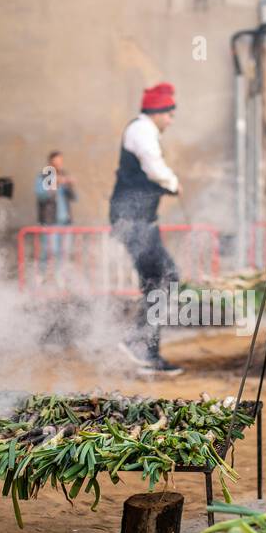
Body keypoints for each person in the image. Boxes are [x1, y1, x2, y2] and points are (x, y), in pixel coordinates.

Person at [110, 83, 183, 375]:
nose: (171, 120)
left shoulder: (144, 130)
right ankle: (138, 342)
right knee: (166, 277)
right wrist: (174, 183)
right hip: (134, 222)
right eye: (169, 113)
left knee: (158, 280)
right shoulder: (142, 130)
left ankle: (146, 350)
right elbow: (154, 168)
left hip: (141, 222)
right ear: (158, 111)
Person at [35, 149, 77, 274]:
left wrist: (70, 184)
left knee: (65, 251)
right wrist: (54, 183)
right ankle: (44, 276)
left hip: (65, 221)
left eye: (60, 162)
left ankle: (61, 277)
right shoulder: (45, 176)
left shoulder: (65, 175)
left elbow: (74, 198)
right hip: (50, 221)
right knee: (49, 251)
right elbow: (41, 195)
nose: (58, 165)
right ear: (50, 163)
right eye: (55, 163)